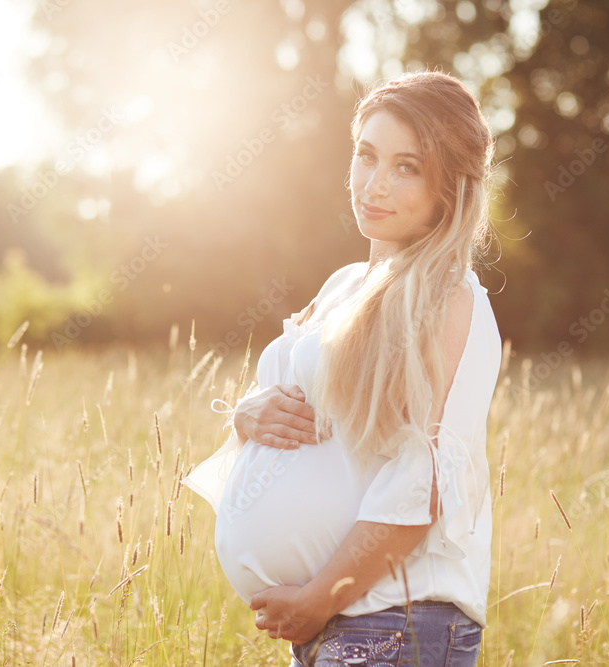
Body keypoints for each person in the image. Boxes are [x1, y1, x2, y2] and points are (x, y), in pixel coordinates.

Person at [183, 69, 502, 667]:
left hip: (393, 623)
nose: (374, 184)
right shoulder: (345, 286)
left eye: (407, 167)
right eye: (366, 155)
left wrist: (317, 597)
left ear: (450, 188)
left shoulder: (448, 297)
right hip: (343, 624)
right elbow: (308, 413)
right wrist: (246, 415)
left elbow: (422, 482)